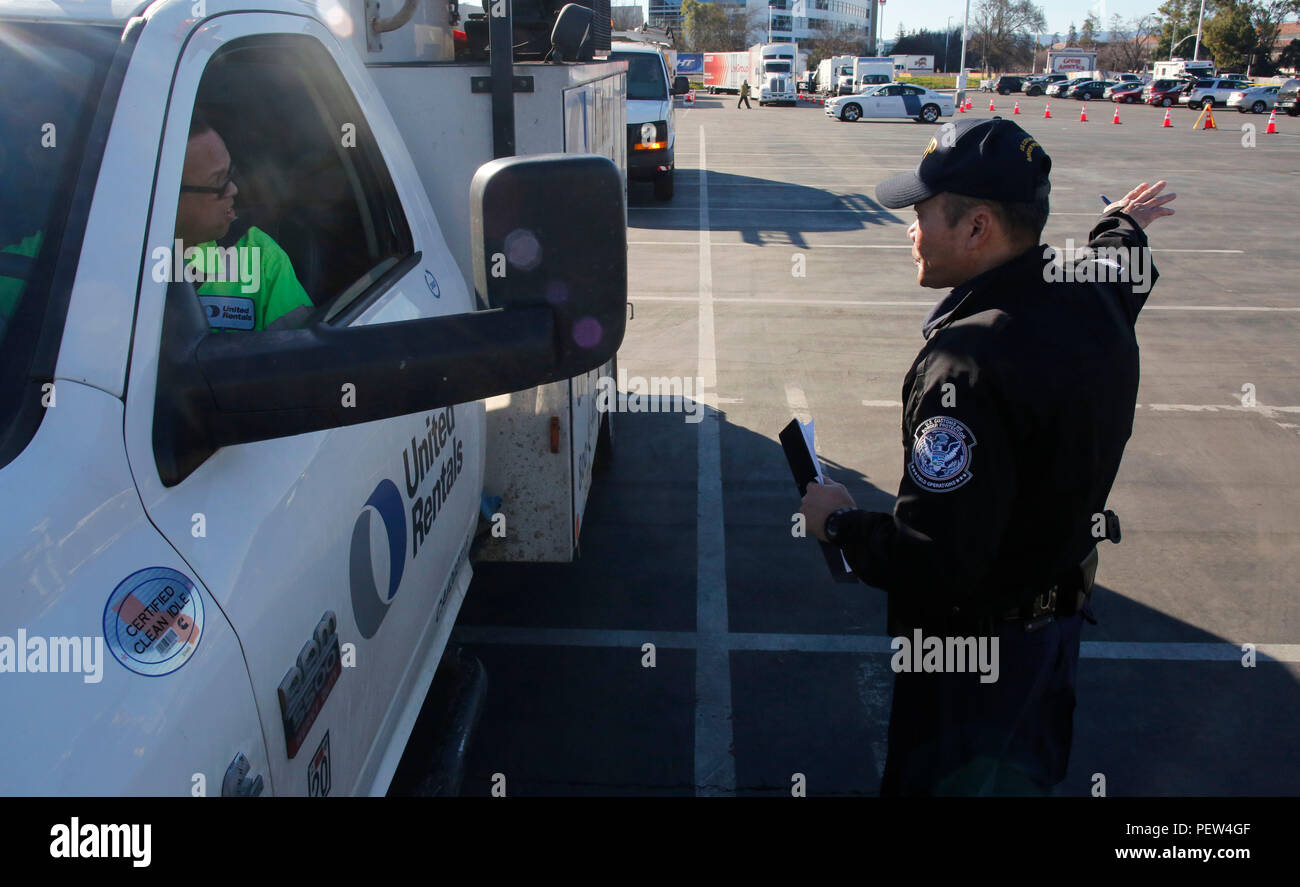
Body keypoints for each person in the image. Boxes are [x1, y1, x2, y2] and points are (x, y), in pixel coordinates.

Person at [798, 117, 1175, 796]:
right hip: (1050, 645)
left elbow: (936, 560)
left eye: (922, 215)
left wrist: (839, 521)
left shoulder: (967, 364)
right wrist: (1123, 220)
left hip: (973, 679)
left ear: (977, 228)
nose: (910, 230)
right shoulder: (1094, 292)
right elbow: (1120, 262)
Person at [176, 112, 313, 331]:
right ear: (168, 195)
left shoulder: (260, 257)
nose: (233, 189)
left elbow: (300, 356)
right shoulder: (112, 261)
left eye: (230, 174)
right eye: (218, 182)